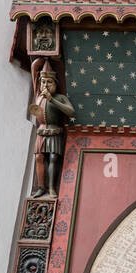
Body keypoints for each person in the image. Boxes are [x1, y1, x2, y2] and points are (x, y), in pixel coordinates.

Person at [29, 59, 75, 197]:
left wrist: (51, 99)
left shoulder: (59, 97)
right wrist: (41, 60)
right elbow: (34, 71)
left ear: (55, 83)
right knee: (39, 158)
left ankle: (51, 188)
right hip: (42, 131)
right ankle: (41, 187)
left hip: (55, 130)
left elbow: (70, 111)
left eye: (49, 82)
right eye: (43, 82)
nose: (46, 85)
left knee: (54, 157)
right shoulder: (39, 97)